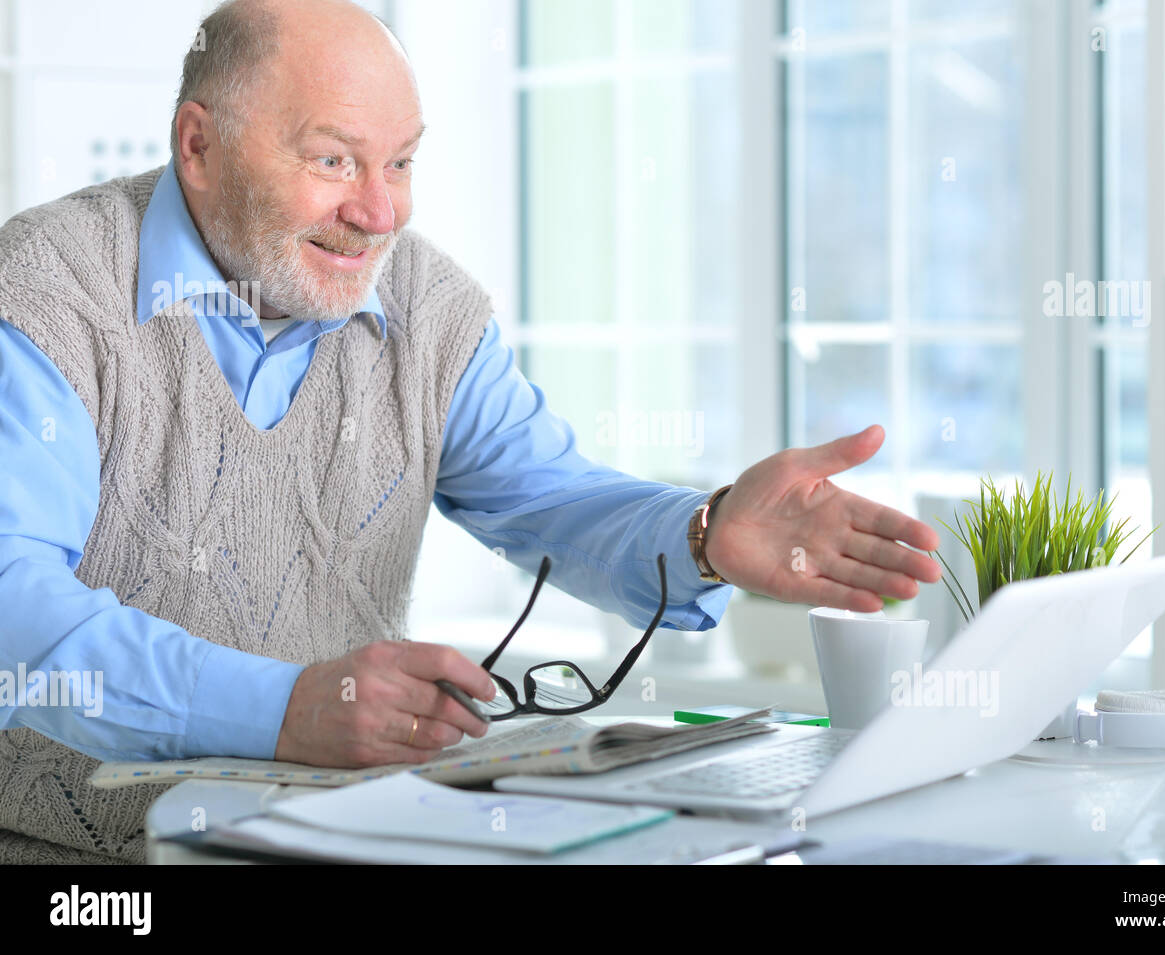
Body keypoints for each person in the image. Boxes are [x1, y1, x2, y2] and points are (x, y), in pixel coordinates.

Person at [0, 0, 940, 863]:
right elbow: (15, 612)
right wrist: (285, 709)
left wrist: (704, 532)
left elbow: (551, 497)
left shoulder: (427, 309)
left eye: (400, 161)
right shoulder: (49, 292)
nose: (380, 213)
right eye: (333, 160)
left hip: (333, 846)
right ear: (199, 146)